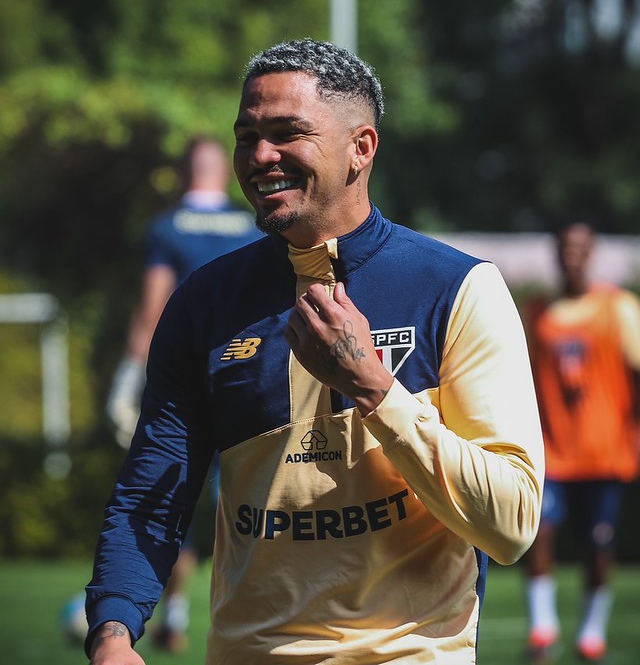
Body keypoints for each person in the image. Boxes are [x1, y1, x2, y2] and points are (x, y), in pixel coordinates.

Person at [85, 38, 545, 665]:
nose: (260, 156)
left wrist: (377, 392)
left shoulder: (458, 288)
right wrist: (112, 632)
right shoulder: (205, 302)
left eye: (287, 133)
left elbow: (512, 524)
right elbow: (153, 491)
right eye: (247, 136)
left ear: (362, 148)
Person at [105, 135, 262, 652]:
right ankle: (254, 606)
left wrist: (129, 375)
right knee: (244, 500)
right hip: (247, 373)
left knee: (168, 499)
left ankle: (173, 614)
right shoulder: (251, 224)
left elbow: (153, 308)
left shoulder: (168, 227)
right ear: (224, 169)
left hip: (184, 382)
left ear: (184, 171)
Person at [523, 221, 640, 662]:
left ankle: (592, 632)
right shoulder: (540, 313)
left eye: (579, 248)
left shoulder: (620, 308)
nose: (571, 256)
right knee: (539, 532)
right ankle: (542, 629)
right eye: (564, 248)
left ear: (591, 253)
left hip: (605, 452)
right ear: (555, 253)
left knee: (598, 544)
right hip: (552, 451)